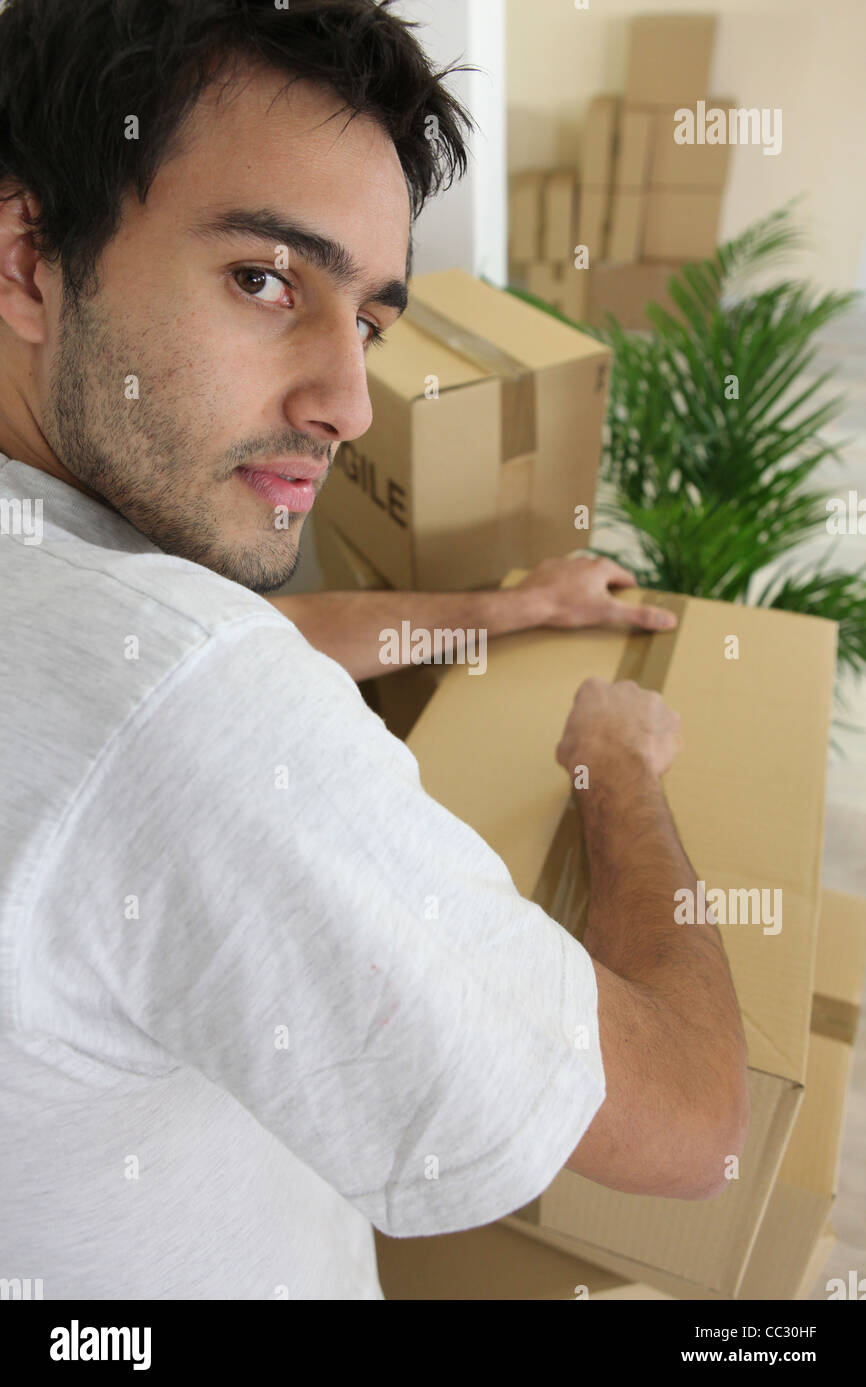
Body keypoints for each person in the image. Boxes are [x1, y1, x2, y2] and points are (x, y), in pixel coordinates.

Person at [0, 0, 748, 1300]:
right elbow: (694, 1122)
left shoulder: (75, 597)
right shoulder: (186, 706)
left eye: (369, 322)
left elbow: (207, 642)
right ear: (28, 259)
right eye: (264, 279)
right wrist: (616, 764)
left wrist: (498, 612)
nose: (345, 403)